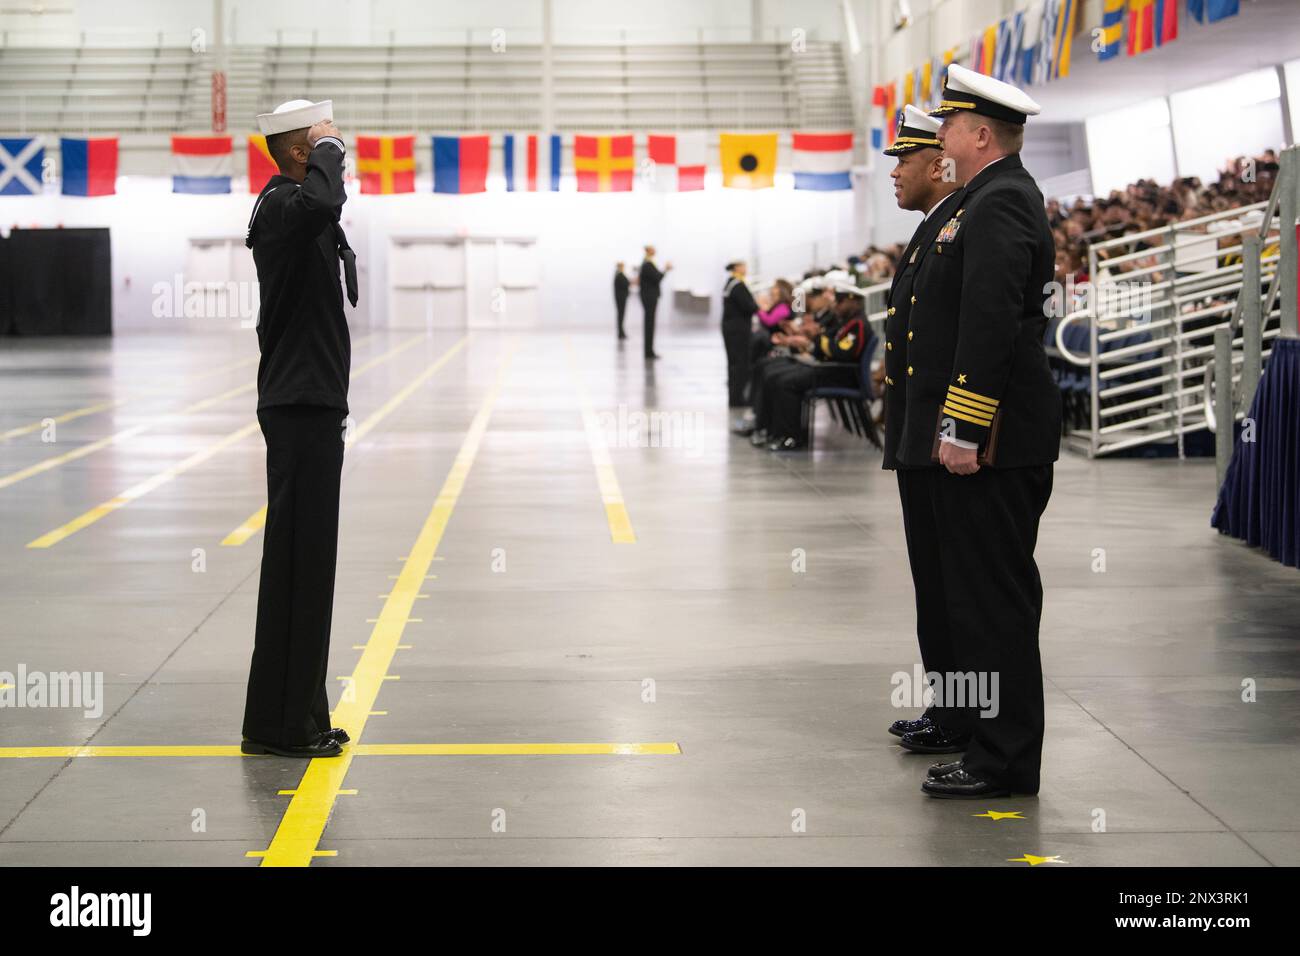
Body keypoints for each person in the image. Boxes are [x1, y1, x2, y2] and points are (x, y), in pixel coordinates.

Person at [891, 65, 1061, 798]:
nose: (941, 138)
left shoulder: (1001, 201)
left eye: (951, 126)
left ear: (980, 134)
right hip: (974, 440)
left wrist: (961, 426)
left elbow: (990, 322)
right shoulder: (986, 200)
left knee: (994, 605)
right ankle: (973, 728)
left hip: (994, 444)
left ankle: (1005, 759)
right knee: (965, 597)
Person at [240, 98, 358, 759]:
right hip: (299, 405)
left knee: (308, 565)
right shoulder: (285, 205)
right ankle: (281, 725)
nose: (340, 153)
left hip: (310, 404)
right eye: (325, 145)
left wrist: (325, 152)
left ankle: (298, 713)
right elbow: (322, 203)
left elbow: (327, 207)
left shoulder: (292, 206)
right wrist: (328, 148)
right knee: (298, 564)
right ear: (298, 155)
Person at [878, 104, 964, 749]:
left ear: (938, 163)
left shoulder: (961, 225)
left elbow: (977, 335)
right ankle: (949, 710)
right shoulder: (932, 228)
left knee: (956, 590)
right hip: (920, 435)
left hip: (943, 439)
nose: (894, 174)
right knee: (934, 587)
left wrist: (961, 428)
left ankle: (965, 716)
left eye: (903, 160)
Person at [722, 261, 758, 409]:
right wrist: (758, 305)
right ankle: (737, 399)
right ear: (736, 267)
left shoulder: (731, 283)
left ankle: (735, 397)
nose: (745, 268)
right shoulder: (737, 285)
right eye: (743, 265)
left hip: (731, 328)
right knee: (739, 364)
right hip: (737, 330)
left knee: (734, 363)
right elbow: (750, 306)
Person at [639, 245, 671, 360]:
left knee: (650, 324)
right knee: (649, 324)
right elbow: (657, 278)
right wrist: (666, 269)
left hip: (649, 297)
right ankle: (648, 351)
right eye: (652, 249)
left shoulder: (647, 263)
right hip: (649, 297)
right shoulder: (648, 264)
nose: (655, 250)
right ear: (648, 251)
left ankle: (649, 350)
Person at [613, 261, 630, 340]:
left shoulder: (618, 274)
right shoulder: (619, 275)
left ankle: (621, 332)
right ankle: (620, 332)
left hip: (621, 298)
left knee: (621, 315)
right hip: (621, 298)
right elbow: (626, 283)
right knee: (621, 315)